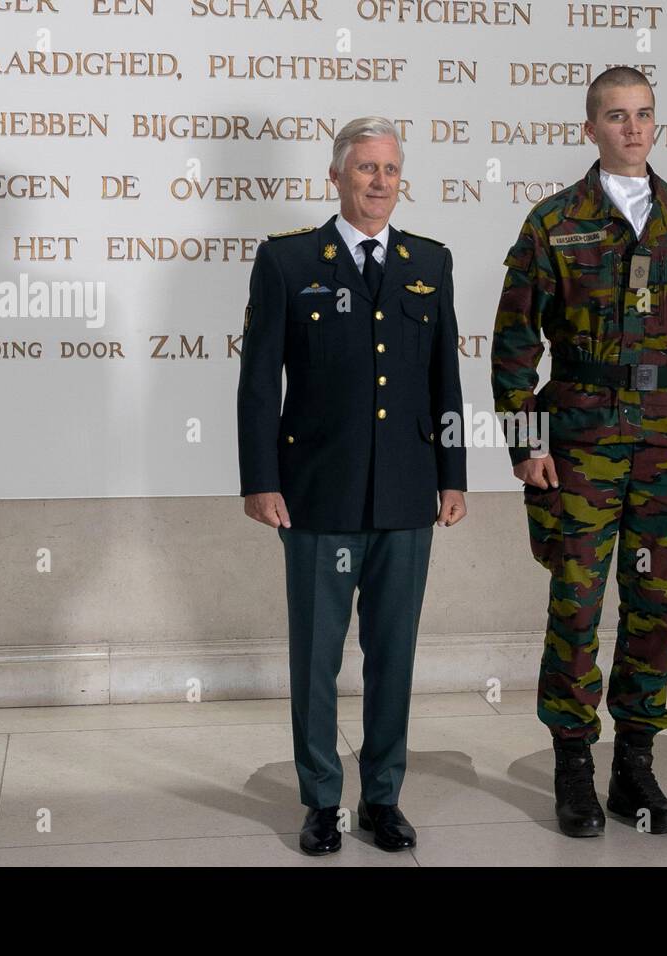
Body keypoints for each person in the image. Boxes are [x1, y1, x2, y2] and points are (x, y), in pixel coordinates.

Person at [490, 67, 667, 837]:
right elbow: (511, 349)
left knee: (655, 609)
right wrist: (525, 445)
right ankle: (573, 765)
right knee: (575, 605)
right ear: (590, 128)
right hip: (580, 444)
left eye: (643, 115)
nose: (632, 129)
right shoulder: (555, 222)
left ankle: (635, 765)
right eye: (615, 116)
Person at [237, 116, 467, 855]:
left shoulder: (429, 261)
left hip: (405, 496)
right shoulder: (288, 260)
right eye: (365, 168)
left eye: (391, 169)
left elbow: (445, 381)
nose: (379, 181)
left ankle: (384, 798)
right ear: (334, 175)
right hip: (317, 494)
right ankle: (320, 800)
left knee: (393, 654)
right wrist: (260, 479)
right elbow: (257, 382)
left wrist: (453, 475)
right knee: (318, 655)